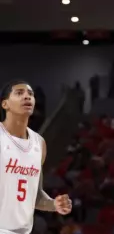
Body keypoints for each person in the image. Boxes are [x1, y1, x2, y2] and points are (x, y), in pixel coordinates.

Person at [0, 80, 72, 234]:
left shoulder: (39, 143)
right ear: (5, 104)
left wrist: (54, 205)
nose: (27, 97)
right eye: (19, 93)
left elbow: (35, 195)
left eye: (30, 94)